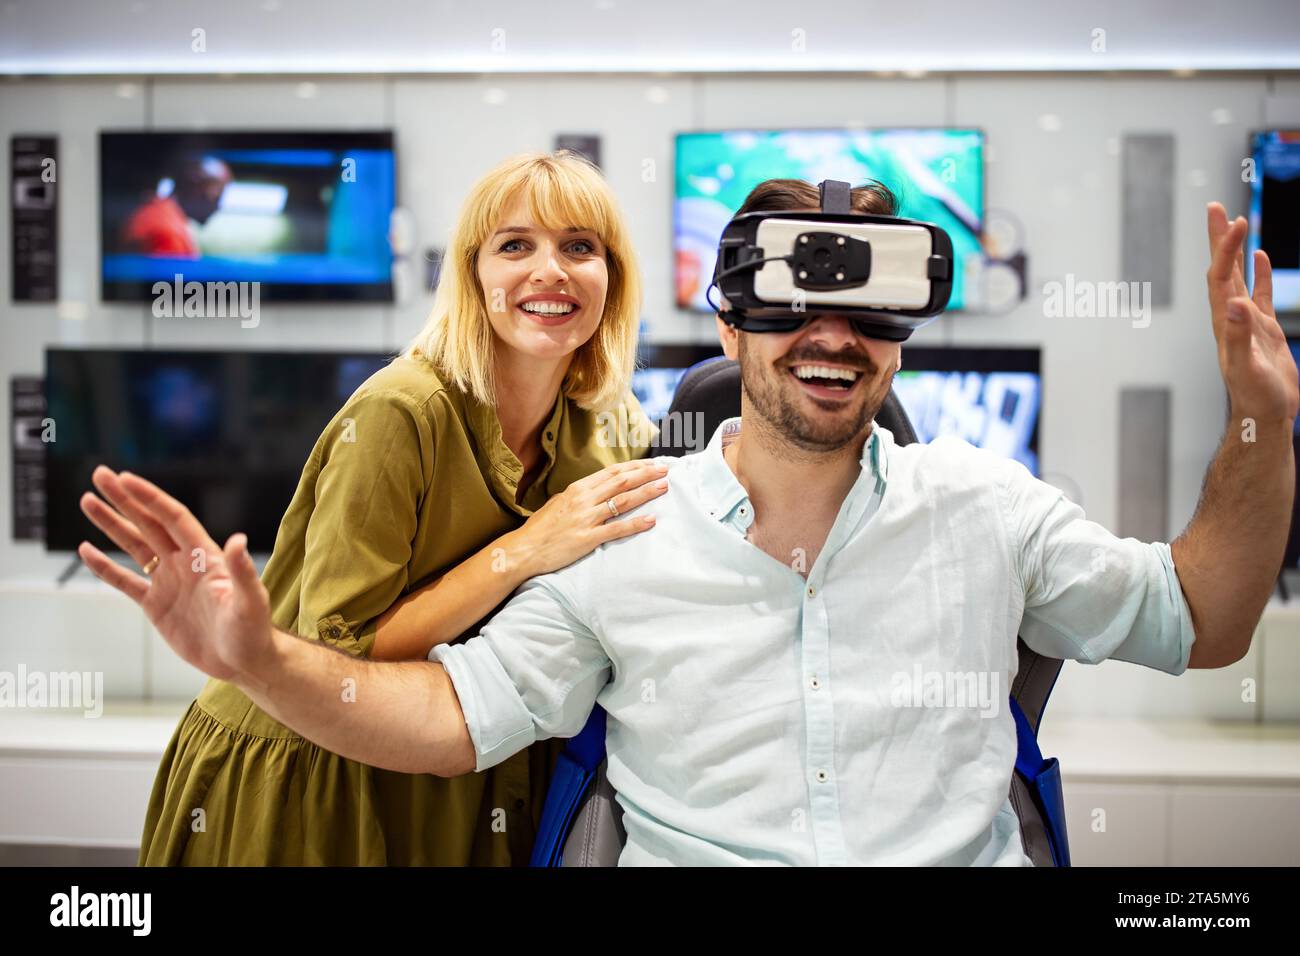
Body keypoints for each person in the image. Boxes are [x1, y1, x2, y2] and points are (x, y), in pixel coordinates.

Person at [79, 180, 1297, 865]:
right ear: (726, 327)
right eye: (786, 304)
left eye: (867, 308)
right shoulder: (621, 524)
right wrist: (258, 655)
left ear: (902, 335)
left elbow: (1206, 619)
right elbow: (451, 718)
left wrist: (1258, 422)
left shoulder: (989, 505)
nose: (832, 336)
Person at [82, 150, 667, 865]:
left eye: (580, 247)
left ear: (613, 275)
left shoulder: (612, 426)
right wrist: (528, 546)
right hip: (318, 771)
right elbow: (341, 660)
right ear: (472, 273)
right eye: (516, 245)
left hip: (480, 775)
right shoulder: (402, 412)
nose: (551, 270)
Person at [120, 155, 233, 257]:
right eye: (218, 196)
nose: (218, 206)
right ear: (196, 187)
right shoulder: (168, 232)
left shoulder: (155, 212)